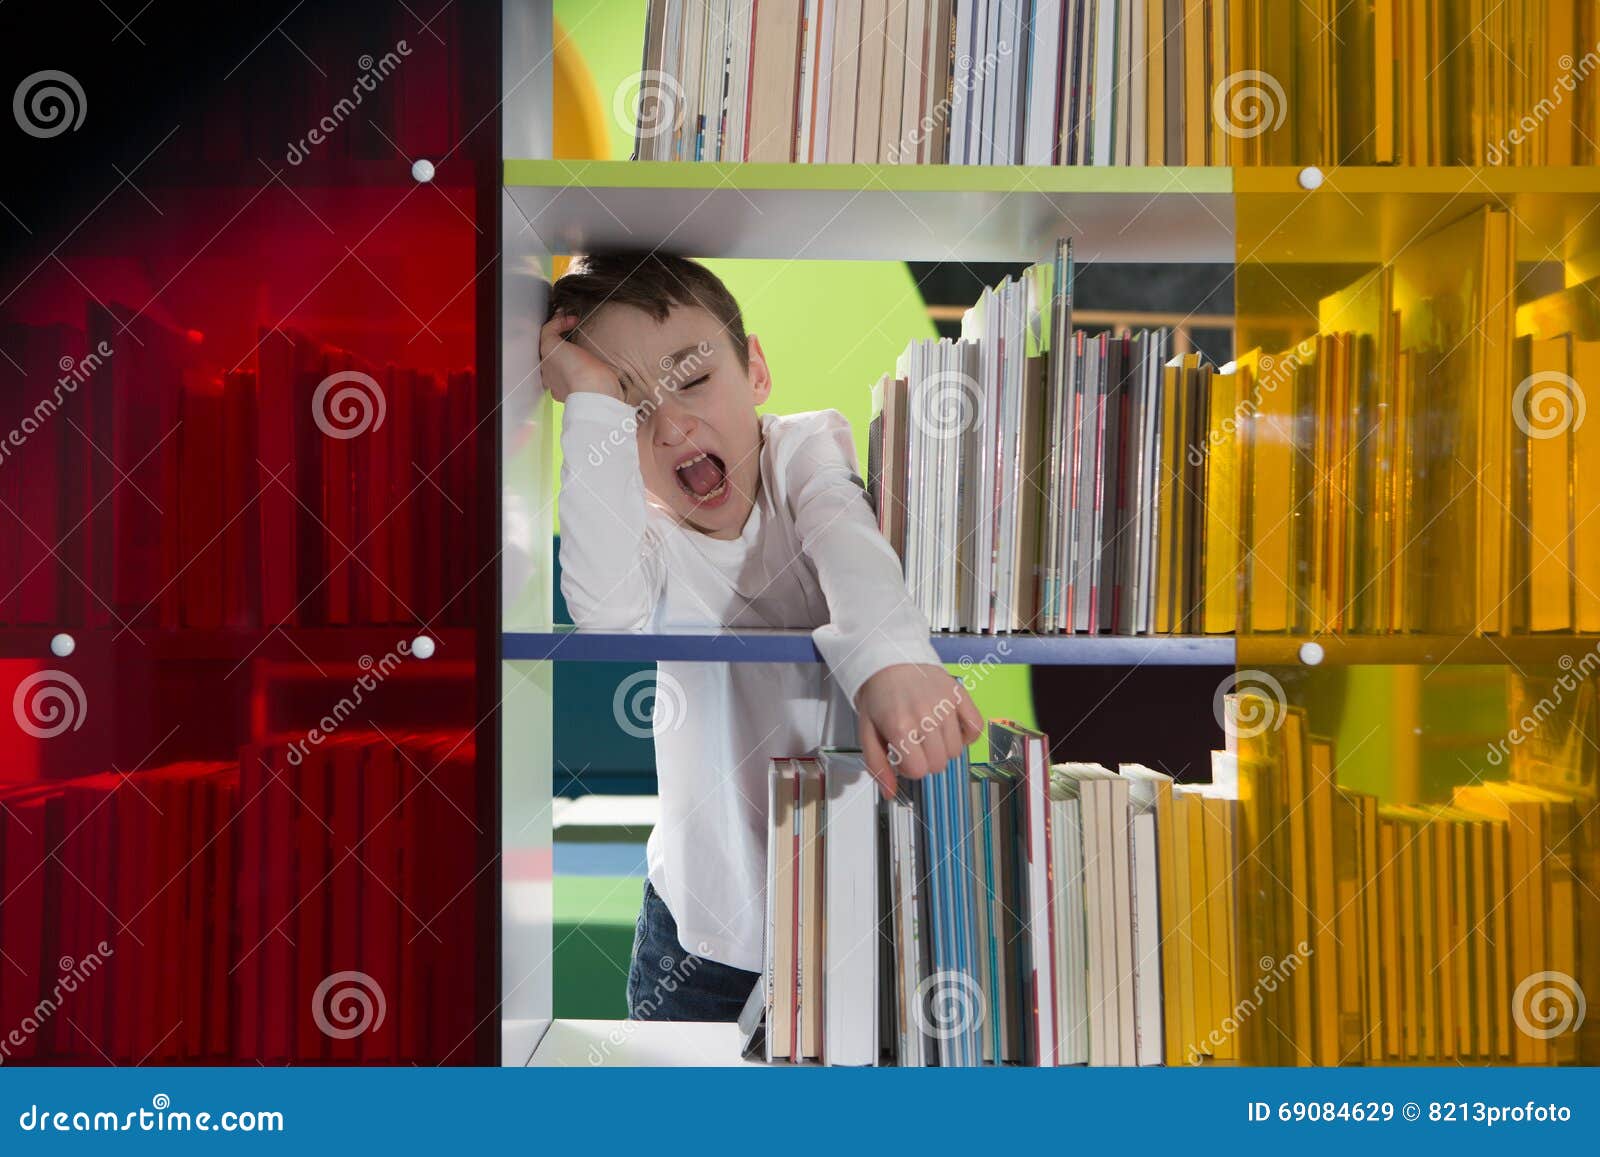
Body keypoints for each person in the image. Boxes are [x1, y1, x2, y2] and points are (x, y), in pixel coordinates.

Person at [541, 252, 983, 1021]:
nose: (673, 423)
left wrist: (891, 661)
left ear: (757, 373)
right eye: (633, 406)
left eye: (692, 378)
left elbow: (847, 536)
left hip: (851, 919)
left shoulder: (805, 453)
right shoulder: (646, 539)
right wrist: (587, 396)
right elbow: (604, 610)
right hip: (699, 941)